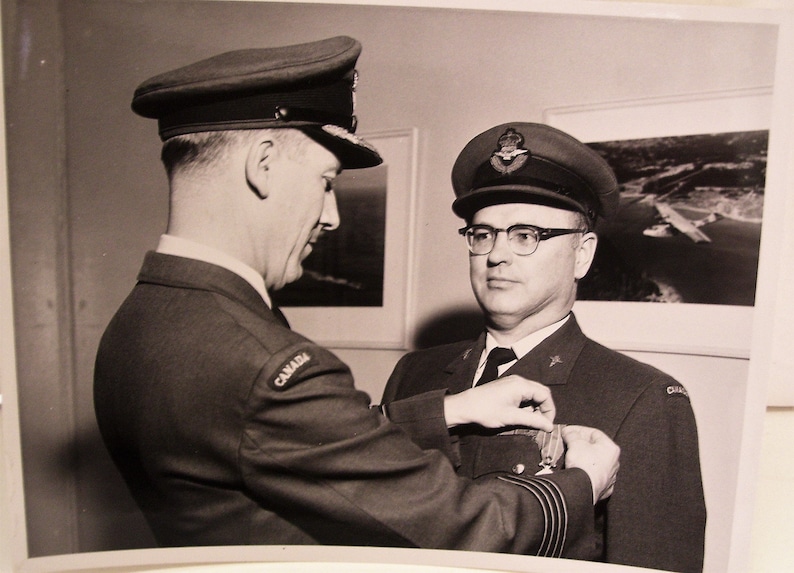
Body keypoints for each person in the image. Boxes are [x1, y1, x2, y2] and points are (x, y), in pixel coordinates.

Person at [93, 37, 621, 556]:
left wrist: (448, 413)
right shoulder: (267, 363)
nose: (331, 215)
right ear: (264, 162)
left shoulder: (143, 319)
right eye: (326, 181)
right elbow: (461, 526)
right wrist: (583, 483)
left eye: (526, 235)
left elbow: (280, 444)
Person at [381, 122, 707, 573]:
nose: (497, 255)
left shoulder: (644, 399)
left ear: (582, 254)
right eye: (483, 234)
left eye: (526, 234)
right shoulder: (415, 374)